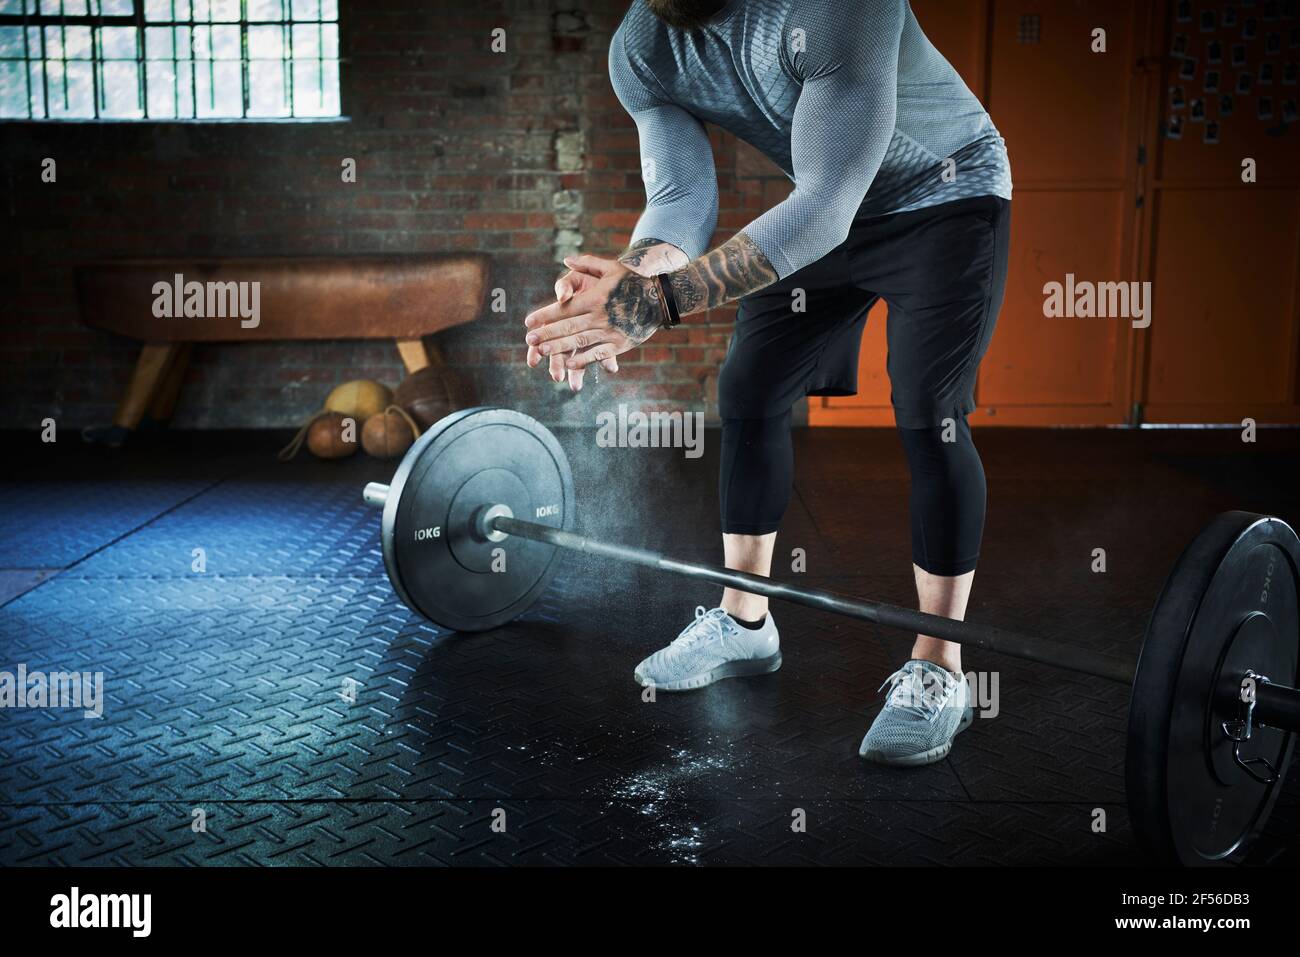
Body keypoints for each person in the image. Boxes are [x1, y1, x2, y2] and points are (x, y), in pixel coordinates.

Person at [523, 0, 1012, 766]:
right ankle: (745, 622)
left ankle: (939, 665)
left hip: (945, 200)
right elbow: (681, 199)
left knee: (929, 410)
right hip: (829, 209)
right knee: (748, 389)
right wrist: (636, 281)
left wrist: (662, 302)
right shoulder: (644, 47)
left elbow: (823, 206)